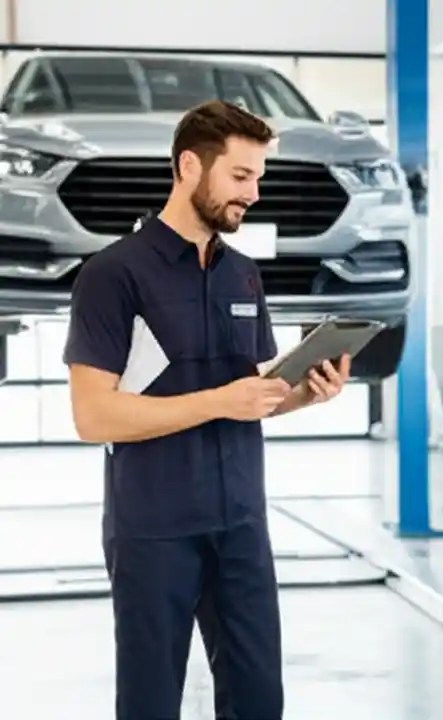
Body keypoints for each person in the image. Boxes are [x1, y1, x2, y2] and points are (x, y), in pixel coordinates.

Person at [63, 100, 352, 719]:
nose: (252, 194)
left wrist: (306, 391)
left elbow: (254, 397)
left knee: (257, 700)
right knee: (149, 703)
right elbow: (93, 417)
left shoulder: (242, 275)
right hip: (154, 529)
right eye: (241, 177)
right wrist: (222, 400)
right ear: (189, 166)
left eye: (259, 179)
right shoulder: (112, 276)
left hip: (242, 523)